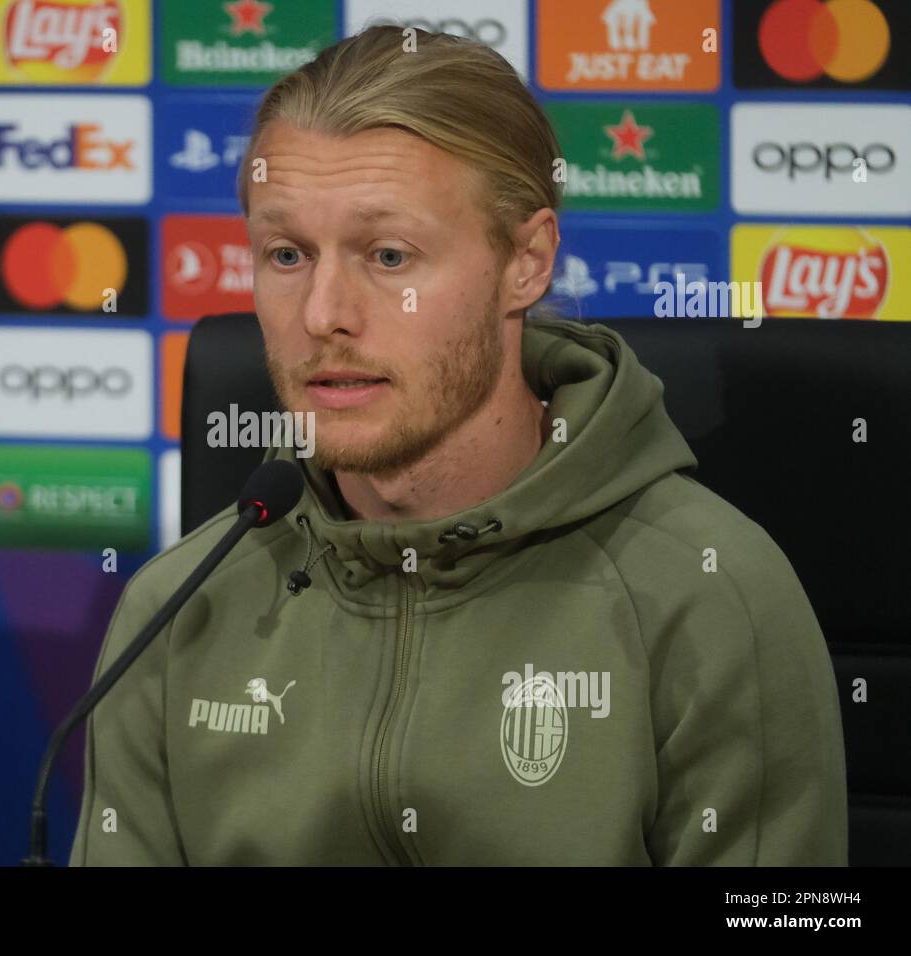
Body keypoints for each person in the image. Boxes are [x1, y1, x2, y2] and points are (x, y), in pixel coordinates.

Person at [68, 25, 847, 866]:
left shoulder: (712, 595)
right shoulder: (177, 609)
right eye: (286, 253)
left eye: (390, 255)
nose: (323, 312)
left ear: (527, 261)